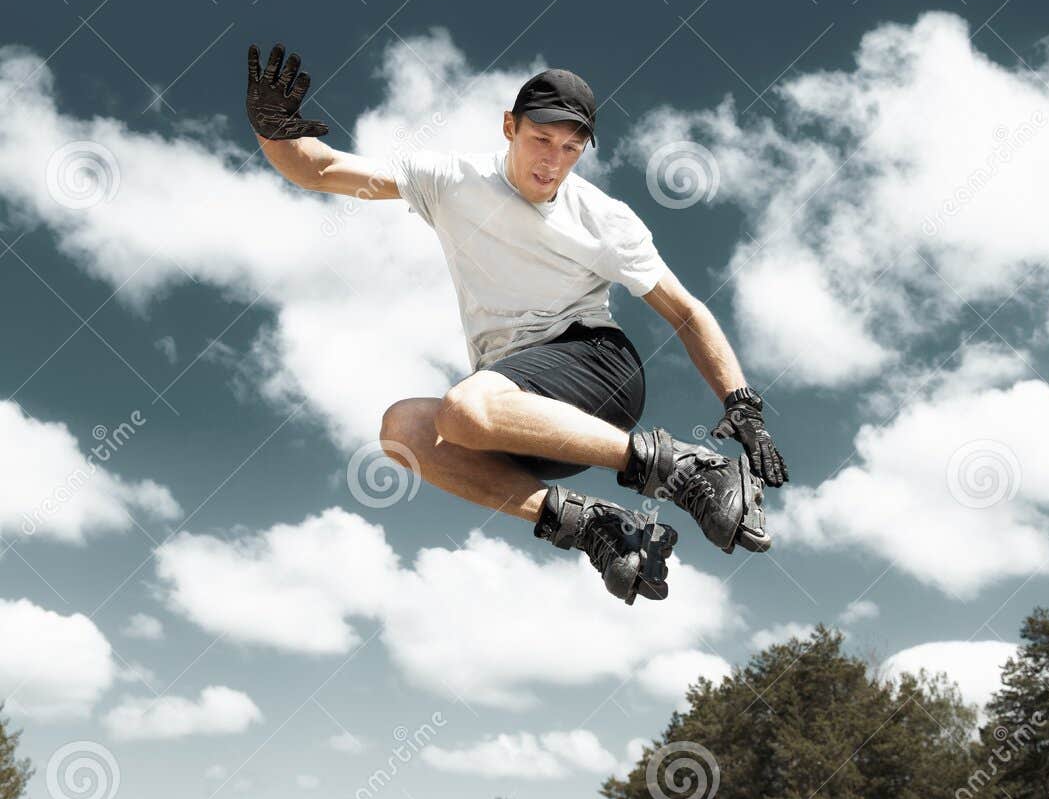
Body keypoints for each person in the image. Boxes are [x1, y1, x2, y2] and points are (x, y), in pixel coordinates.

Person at [246, 42, 787, 606]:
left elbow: (685, 310)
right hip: (524, 405)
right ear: (510, 126)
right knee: (404, 431)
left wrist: (741, 403)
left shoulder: (603, 218)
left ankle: (685, 467)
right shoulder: (449, 180)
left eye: (572, 149)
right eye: (542, 140)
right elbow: (321, 168)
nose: (553, 162)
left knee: (465, 409)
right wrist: (272, 129)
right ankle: (594, 525)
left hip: (596, 365)